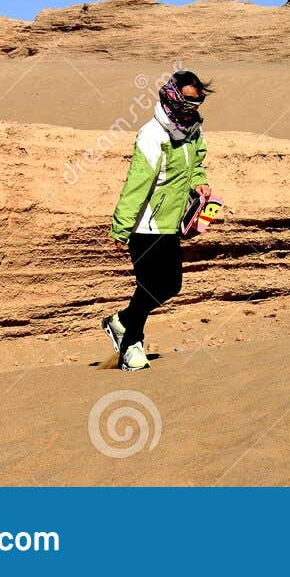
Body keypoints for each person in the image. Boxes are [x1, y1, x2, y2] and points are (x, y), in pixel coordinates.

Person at [103, 70, 215, 371]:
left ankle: (121, 321)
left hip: (170, 223)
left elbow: (196, 164)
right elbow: (137, 184)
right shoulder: (152, 134)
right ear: (173, 97)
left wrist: (199, 183)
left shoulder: (192, 132)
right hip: (144, 224)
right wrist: (121, 227)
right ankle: (131, 348)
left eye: (198, 102)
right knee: (150, 284)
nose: (193, 108)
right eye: (188, 102)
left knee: (171, 285)